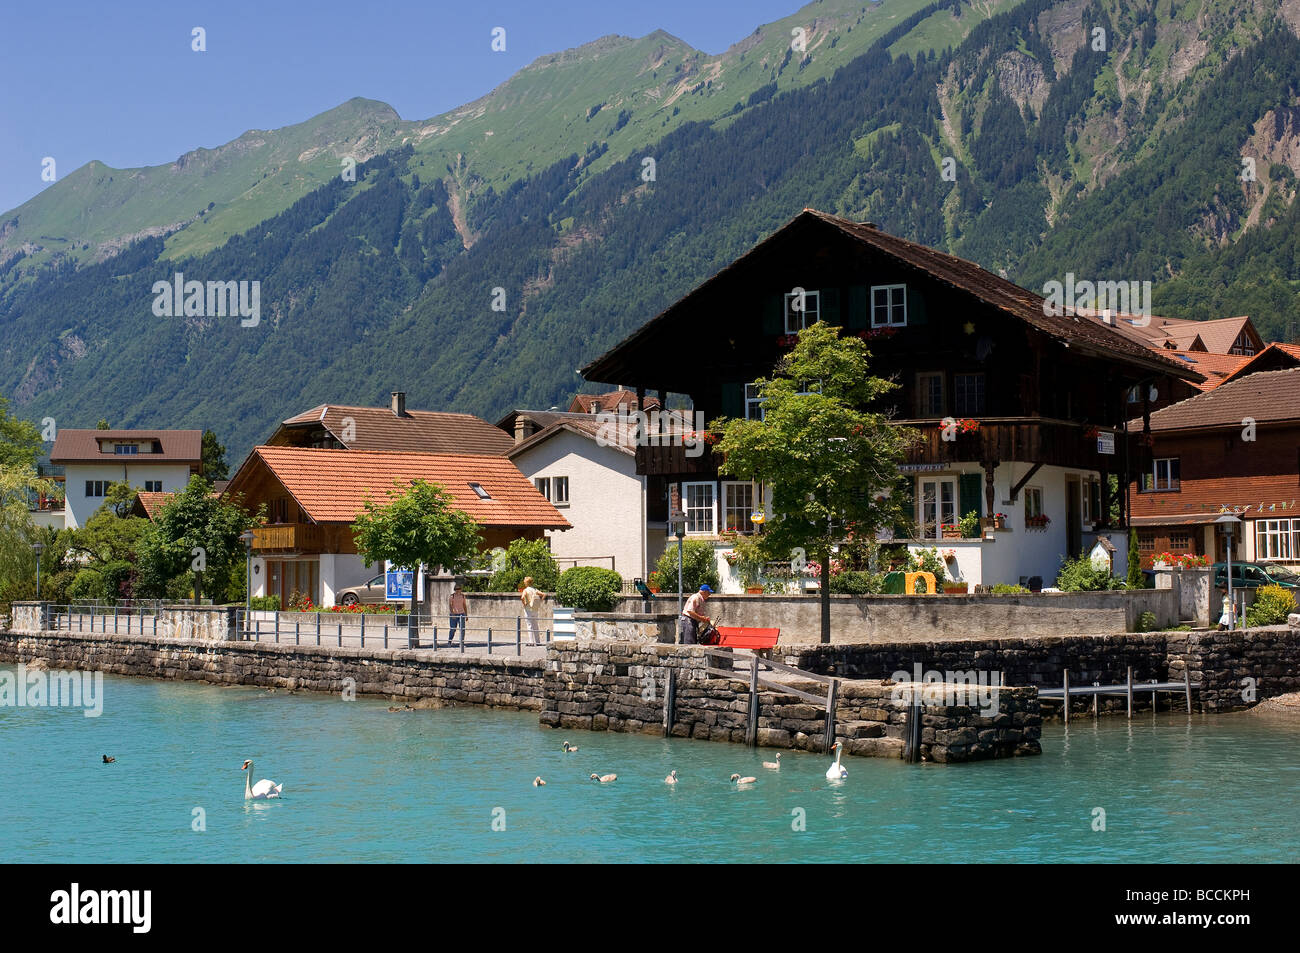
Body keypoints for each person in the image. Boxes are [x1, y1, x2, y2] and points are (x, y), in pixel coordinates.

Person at [520, 576, 545, 644]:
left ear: (526, 583)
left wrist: (525, 603)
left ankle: (531, 642)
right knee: (535, 625)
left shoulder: (526, 590)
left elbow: (522, 597)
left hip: (528, 609)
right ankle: (538, 641)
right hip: (535, 609)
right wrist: (540, 602)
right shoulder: (535, 589)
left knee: (529, 625)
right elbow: (544, 594)